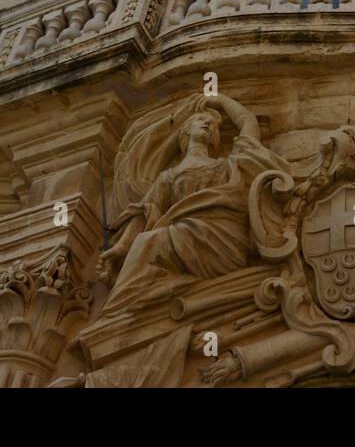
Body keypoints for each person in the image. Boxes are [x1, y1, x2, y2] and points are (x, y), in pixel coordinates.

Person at [98, 93, 283, 314]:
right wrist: (120, 248)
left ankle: (118, 310)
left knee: (150, 242)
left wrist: (220, 100)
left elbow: (248, 122)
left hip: (226, 238)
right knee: (147, 242)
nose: (208, 123)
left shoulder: (230, 165)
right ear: (185, 132)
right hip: (185, 235)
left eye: (213, 125)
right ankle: (135, 304)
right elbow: (145, 212)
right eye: (201, 120)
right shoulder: (168, 176)